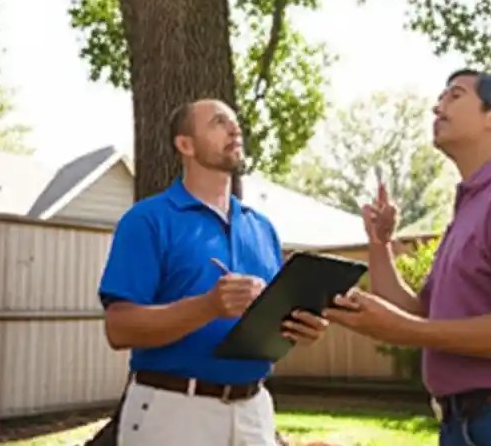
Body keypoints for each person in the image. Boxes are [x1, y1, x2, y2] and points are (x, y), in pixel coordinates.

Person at [323, 68, 491, 446]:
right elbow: (417, 312)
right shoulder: (469, 208)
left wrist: (407, 332)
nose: (437, 107)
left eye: (454, 96)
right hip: (463, 426)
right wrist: (380, 244)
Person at [96, 98, 330, 446]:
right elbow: (119, 328)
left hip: (254, 412)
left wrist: (301, 328)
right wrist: (208, 306)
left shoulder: (262, 229)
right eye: (219, 122)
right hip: (173, 415)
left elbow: (270, 324)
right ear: (185, 145)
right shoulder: (147, 220)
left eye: (235, 123)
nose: (235, 129)